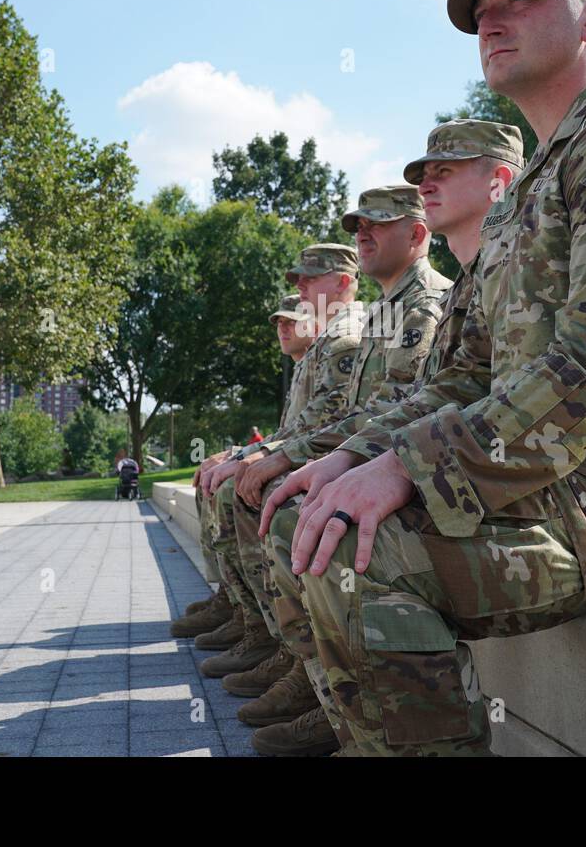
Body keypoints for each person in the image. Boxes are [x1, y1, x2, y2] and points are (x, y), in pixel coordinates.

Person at [259, 0, 586, 756]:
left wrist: (412, 467)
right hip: (564, 478)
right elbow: (466, 374)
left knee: (355, 553)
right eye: (483, 12)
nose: (492, 21)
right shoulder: (534, 186)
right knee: (311, 515)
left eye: (520, 1)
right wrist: (353, 457)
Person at [236, 129, 522, 755]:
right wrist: (337, 456)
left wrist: (379, 463)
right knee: (303, 510)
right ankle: (342, 711)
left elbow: (456, 400)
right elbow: (422, 399)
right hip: (454, 455)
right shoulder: (453, 294)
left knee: (331, 532)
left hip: (513, 475)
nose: (364, 234)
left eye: (379, 224)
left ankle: (352, 717)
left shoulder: (438, 301)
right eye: (360, 226)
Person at [191, 245, 364, 671]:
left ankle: (291, 656)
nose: (299, 287)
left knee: (247, 490)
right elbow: (299, 427)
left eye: (309, 279)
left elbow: (328, 425)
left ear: (343, 282)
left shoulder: (345, 337)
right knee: (226, 478)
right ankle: (249, 617)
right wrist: (247, 453)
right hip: (330, 458)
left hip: (347, 467)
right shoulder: (327, 340)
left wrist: (260, 456)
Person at [171, 287, 322, 641]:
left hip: (317, 462)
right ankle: (234, 600)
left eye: (292, 322)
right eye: (279, 324)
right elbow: (289, 430)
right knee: (210, 474)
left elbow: (317, 428)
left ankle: (263, 628)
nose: (283, 329)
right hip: (300, 452)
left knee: (234, 488)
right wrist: (236, 453)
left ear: (312, 324)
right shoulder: (302, 367)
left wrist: (245, 458)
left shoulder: (331, 355)